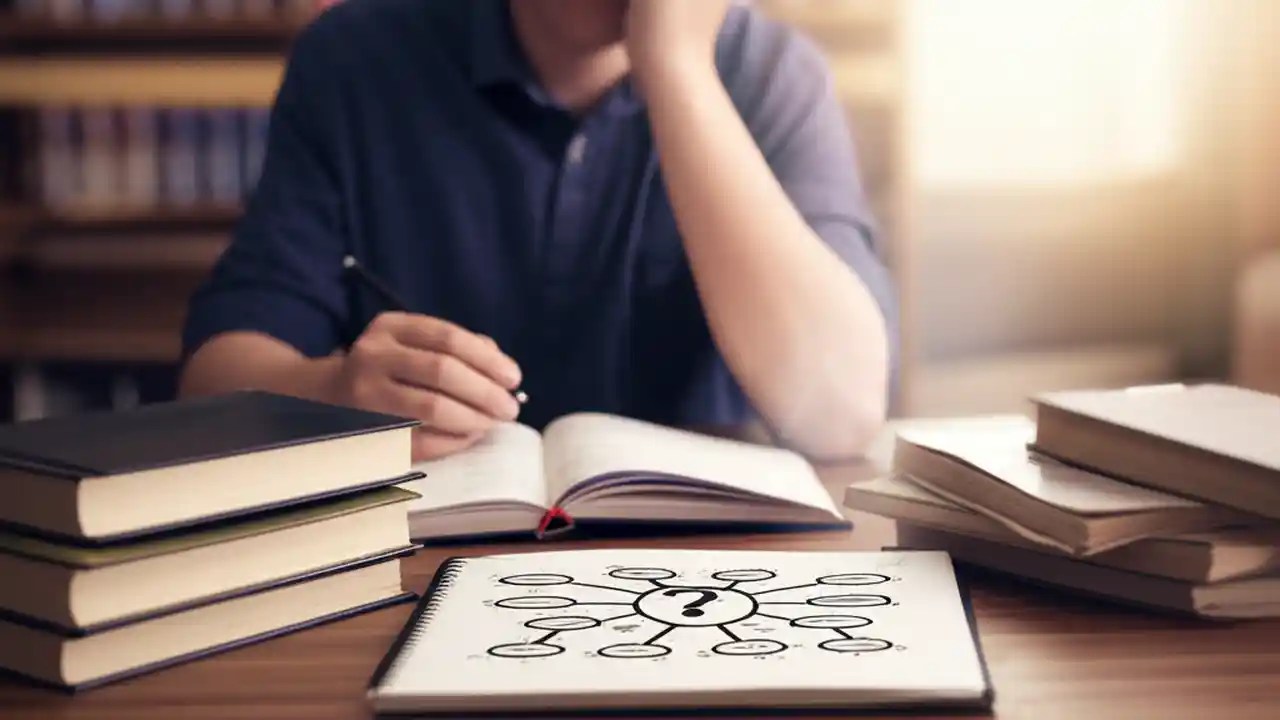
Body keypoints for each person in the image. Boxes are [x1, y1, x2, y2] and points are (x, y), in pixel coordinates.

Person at [179, 0, 896, 462]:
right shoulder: (353, 59)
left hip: (708, 576)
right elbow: (211, 383)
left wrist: (675, 64)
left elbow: (843, 413)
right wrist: (334, 392)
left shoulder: (774, 73)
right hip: (413, 567)